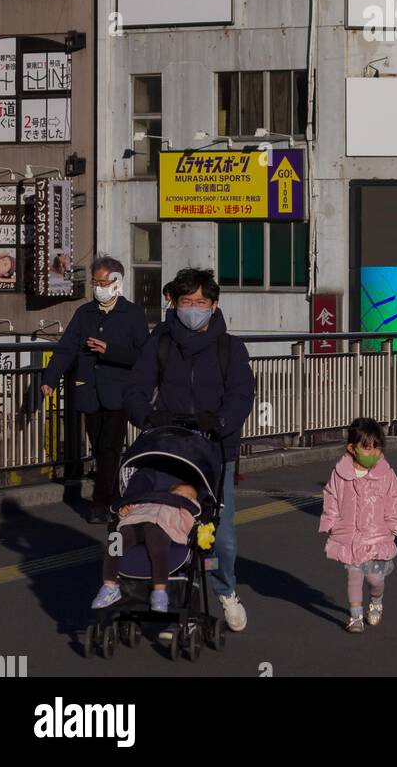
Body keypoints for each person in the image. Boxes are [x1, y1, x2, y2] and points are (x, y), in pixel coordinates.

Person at [124, 268, 255, 632]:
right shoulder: (160, 342)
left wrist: (222, 422)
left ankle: (226, 590)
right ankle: (180, 601)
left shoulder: (231, 347)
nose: (194, 308)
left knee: (220, 536)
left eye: (201, 302)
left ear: (214, 306)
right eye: (187, 302)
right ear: (175, 303)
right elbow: (136, 387)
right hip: (171, 447)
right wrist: (146, 417)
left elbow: (242, 395)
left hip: (215, 452)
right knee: (171, 528)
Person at [41, 256, 148, 523]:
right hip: (88, 389)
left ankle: (100, 505)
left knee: (110, 446)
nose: (98, 287)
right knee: (100, 446)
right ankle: (113, 496)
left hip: (119, 391)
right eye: (95, 282)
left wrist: (109, 351)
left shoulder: (133, 314)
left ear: (117, 282)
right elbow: (66, 348)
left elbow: (143, 355)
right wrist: (50, 379)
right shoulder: (84, 313)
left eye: (103, 282)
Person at [319, 417, 397, 633]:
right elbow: (331, 497)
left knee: (375, 577)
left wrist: (393, 522)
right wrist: (331, 520)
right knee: (354, 574)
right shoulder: (340, 473)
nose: (374, 452)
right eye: (367, 448)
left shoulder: (386, 474)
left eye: (377, 447)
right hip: (350, 534)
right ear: (352, 448)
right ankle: (355, 616)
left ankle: (376, 598)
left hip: (377, 534)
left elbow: (396, 497)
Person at [91, 481, 201, 613]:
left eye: (189, 496)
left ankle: (159, 591)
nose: (184, 496)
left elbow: (187, 524)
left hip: (161, 527)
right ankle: (109, 587)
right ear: (170, 493)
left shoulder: (183, 508)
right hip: (134, 522)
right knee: (115, 540)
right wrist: (124, 511)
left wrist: (187, 505)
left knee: (158, 548)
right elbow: (132, 508)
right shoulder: (151, 499)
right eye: (179, 493)